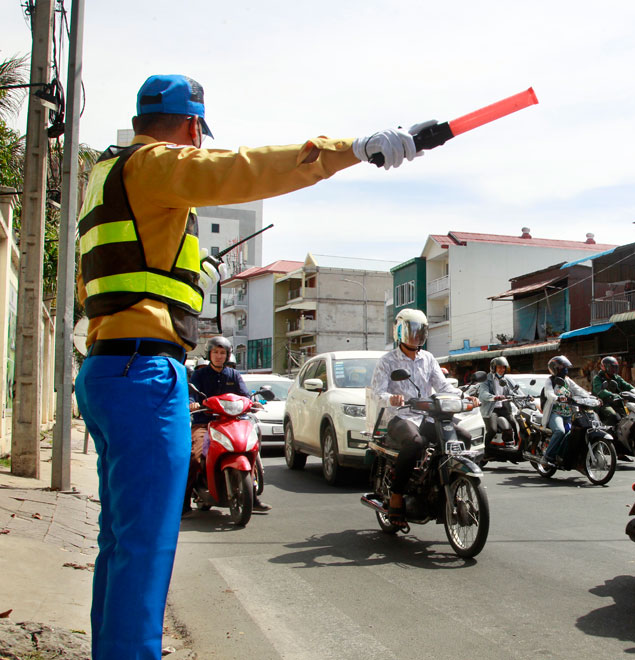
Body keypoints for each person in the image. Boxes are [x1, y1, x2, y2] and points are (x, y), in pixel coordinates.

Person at [73, 74, 430, 660]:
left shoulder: (105, 174)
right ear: (192, 126)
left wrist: (193, 272)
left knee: (119, 542)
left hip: (106, 370)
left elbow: (124, 271)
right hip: (144, 373)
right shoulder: (157, 163)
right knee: (145, 547)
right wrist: (352, 149)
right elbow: (245, 168)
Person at [369, 309, 479, 525]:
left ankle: (445, 485)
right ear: (399, 332)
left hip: (427, 416)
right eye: (411, 330)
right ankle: (397, 496)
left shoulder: (428, 358)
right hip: (400, 417)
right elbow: (377, 392)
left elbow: (443, 386)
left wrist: (465, 396)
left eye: (420, 331)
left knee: (463, 437)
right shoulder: (387, 361)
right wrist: (391, 399)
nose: (416, 335)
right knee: (416, 442)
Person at [187, 335, 270, 513]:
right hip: (205, 423)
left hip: (232, 422)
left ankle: (253, 497)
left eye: (222, 353)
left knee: (249, 450)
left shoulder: (234, 375)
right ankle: (185, 503)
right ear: (209, 354)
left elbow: (244, 396)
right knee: (194, 457)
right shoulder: (199, 375)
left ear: (227, 355)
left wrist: (253, 403)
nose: (219, 356)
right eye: (215, 352)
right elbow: (192, 395)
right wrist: (192, 403)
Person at [540, 355, 592, 465]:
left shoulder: (567, 380)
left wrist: (590, 397)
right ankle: (547, 456)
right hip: (555, 413)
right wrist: (557, 398)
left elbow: (578, 390)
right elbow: (548, 393)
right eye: (563, 368)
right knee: (560, 431)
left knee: (572, 434)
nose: (566, 370)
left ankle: (562, 456)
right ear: (556, 369)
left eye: (566, 367)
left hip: (568, 414)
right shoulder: (550, 380)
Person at [478, 356, 520, 447]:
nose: (502, 370)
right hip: (491, 409)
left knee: (515, 424)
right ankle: (486, 448)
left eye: (503, 367)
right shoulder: (486, 379)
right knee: (492, 430)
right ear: (494, 368)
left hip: (503, 407)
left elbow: (510, 392)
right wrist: (495, 397)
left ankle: (517, 445)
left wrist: (523, 397)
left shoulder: (504, 379)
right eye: (499, 367)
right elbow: (483, 393)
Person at [592, 356, 635, 425]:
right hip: (603, 404)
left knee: (628, 419)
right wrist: (611, 395)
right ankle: (609, 430)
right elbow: (599, 390)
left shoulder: (617, 378)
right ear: (604, 367)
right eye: (612, 367)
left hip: (617, 403)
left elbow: (627, 386)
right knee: (612, 416)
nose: (614, 370)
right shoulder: (598, 379)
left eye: (615, 367)